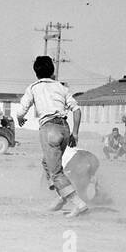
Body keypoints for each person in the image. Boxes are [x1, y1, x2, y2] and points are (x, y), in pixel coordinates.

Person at [16, 54, 88, 218]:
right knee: (47, 163)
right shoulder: (61, 87)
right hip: (64, 128)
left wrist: (20, 119)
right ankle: (61, 196)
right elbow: (76, 110)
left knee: (55, 172)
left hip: (49, 129)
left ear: (36, 72)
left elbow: (21, 111)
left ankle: (78, 204)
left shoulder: (33, 87)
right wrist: (75, 133)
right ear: (52, 71)